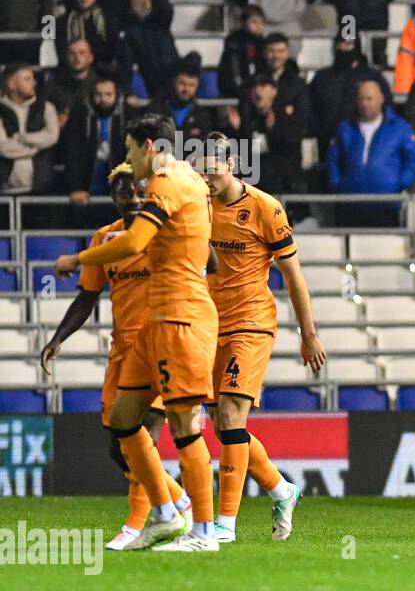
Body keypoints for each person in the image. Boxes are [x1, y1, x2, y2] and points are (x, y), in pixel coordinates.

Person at [52, 113, 221, 552]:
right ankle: (165, 514)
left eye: (129, 149)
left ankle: (204, 531)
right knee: (124, 420)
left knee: (184, 424)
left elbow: (133, 242)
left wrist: (77, 260)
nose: (127, 160)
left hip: (180, 316)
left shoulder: (169, 182)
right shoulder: (191, 183)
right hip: (156, 320)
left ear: (149, 146)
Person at [41, 164, 190, 551]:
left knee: (144, 436)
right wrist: (58, 338)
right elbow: (88, 295)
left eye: (141, 191)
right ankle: (178, 499)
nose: (135, 198)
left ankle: (140, 522)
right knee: (119, 446)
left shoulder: (163, 232)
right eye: (127, 193)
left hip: (160, 342)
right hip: (122, 351)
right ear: (115, 197)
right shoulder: (105, 239)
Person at [200, 133, 325, 543]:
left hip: (251, 322)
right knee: (222, 425)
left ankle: (225, 524)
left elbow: (293, 277)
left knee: (233, 418)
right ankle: (281, 489)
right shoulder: (199, 208)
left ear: (230, 163)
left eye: (212, 166)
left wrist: (308, 335)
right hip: (212, 323)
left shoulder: (265, 208)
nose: (207, 175)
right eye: (200, 167)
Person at [326, 78, 415, 226]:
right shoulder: (345, 127)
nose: (365, 103)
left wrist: (399, 183)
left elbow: (414, 159)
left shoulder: (399, 127)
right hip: (351, 205)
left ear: (381, 99)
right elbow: (333, 158)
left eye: (369, 99)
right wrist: (338, 184)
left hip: (386, 205)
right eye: (361, 99)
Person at [308, 29, 391, 162]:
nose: (343, 48)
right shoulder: (322, 77)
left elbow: (387, 108)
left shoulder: (371, 76)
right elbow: (309, 107)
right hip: (329, 145)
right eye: (340, 44)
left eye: (348, 44)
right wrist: (319, 130)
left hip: (366, 147)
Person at [226, 75, 305, 201]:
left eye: (262, 86)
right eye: (254, 87)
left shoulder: (286, 119)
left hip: (281, 189)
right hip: (252, 189)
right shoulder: (245, 120)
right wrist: (237, 132)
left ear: (274, 91)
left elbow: (290, 150)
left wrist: (274, 131)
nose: (257, 90)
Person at [60, 75, 127, 218]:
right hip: (86, 189)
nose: (103, 99)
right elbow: (72, 155)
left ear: (117, 95)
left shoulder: (127, 116)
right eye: (98, 94)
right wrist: (75, 188)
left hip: (119, 191)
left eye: (108, 94)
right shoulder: (80, 116)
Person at [0, 62, 60, 196]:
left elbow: (51, 137)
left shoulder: (46, 107)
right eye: (27, 79)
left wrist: (21, 138)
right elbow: (3, 147)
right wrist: (35, 147)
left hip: (41, 190)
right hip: (4, 190)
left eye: (33, 78)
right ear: (12, 84)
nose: (33, 83)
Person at [145, 56, 221, 150]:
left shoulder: (202, 114)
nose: (186, 89)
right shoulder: (157, 109)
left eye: (191, 85)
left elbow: (206, 147)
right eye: (182, 83)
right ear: (173, 82)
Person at [117, 0, 178, 101]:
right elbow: (126, 65)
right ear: (131, 6)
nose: (143, 5)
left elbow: (167, 9)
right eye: (138, 2)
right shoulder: (130, 33)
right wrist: (128, 94)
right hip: (154, 83)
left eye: (147, 1)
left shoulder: (160, 21)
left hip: (174, 77)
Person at [57, 0, 119, 81]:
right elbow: (60, 48)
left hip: (101, 71)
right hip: (72, 70)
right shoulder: (64, 21)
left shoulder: (107, 20)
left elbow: (112, 47)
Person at [258, 33, 311, 131]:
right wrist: (285, 110)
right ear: (265, 53)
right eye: (272, 51)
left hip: (288, 141)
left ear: (287, 53)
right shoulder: (255, 81)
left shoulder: (298, 84)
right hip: (259, 139)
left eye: (281, 51)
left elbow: (302, 117)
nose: (276, 56)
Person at [44, 39, 101, 126]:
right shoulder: (54, 86)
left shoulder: (101, 85)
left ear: (91, 57)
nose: (77, 58)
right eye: (72, 53)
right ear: (66, 57)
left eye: (82, 53)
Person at [218, 4, 267, 99]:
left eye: (261, 22)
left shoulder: (263, 45)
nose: (258, 26)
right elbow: (228, 75)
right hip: (235, 93)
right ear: (243, 23)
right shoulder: (233, 45)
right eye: (254, 22)